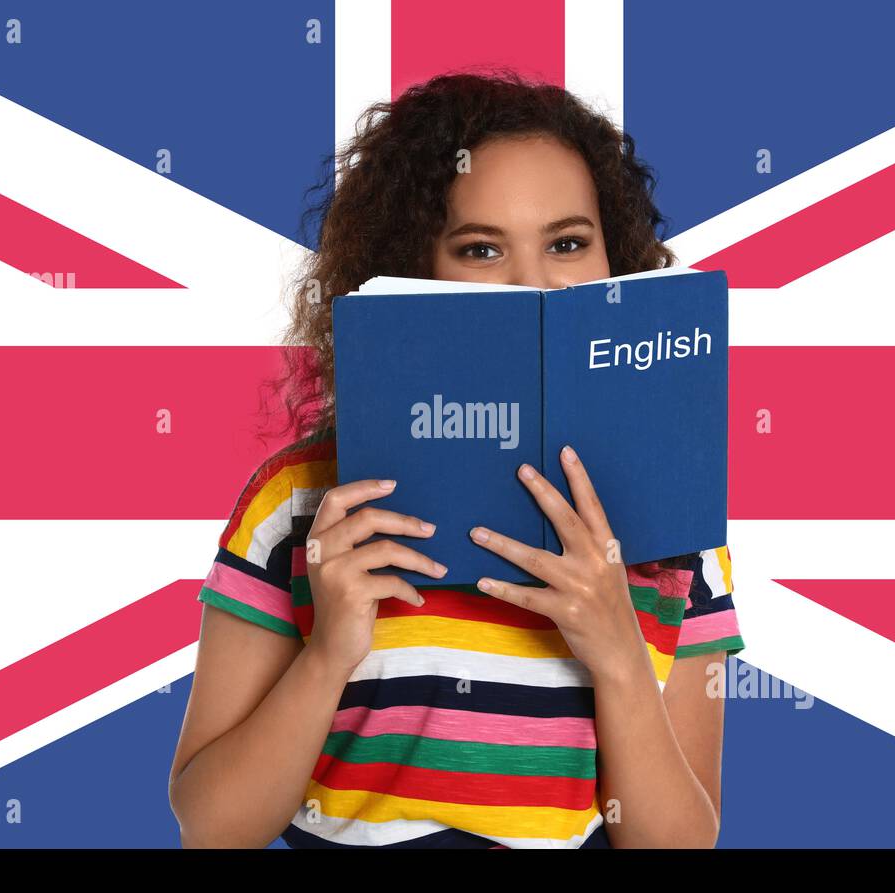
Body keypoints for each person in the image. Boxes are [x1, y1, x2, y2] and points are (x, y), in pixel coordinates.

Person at [168, 70, 745, 849]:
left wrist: (618, 655)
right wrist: (329, 651)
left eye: (568, 242)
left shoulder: (676, 522)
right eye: (480, 249)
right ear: (414, 267)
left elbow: (679, 841)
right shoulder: (300, 503)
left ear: (615, 259)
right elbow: (213, 826)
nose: (533, 283)